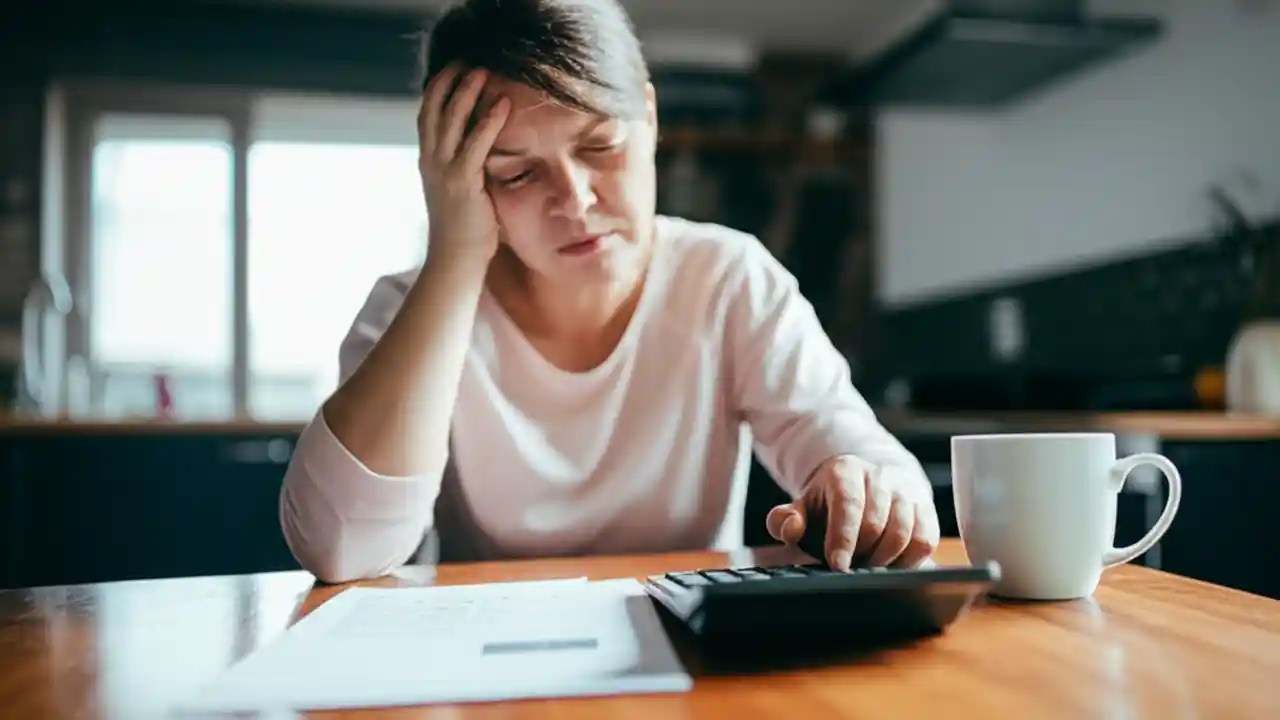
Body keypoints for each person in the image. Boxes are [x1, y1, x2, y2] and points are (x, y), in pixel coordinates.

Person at [279, 0, 938, 584]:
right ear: (463, 182)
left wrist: (863, 488)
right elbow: (343, 549)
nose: (575, 199)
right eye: (515, 175)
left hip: (691, 658)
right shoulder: (410, 310)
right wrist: (454, 257)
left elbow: (865, 457)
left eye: (600, 146)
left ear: (648, 118)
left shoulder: (728, 278)